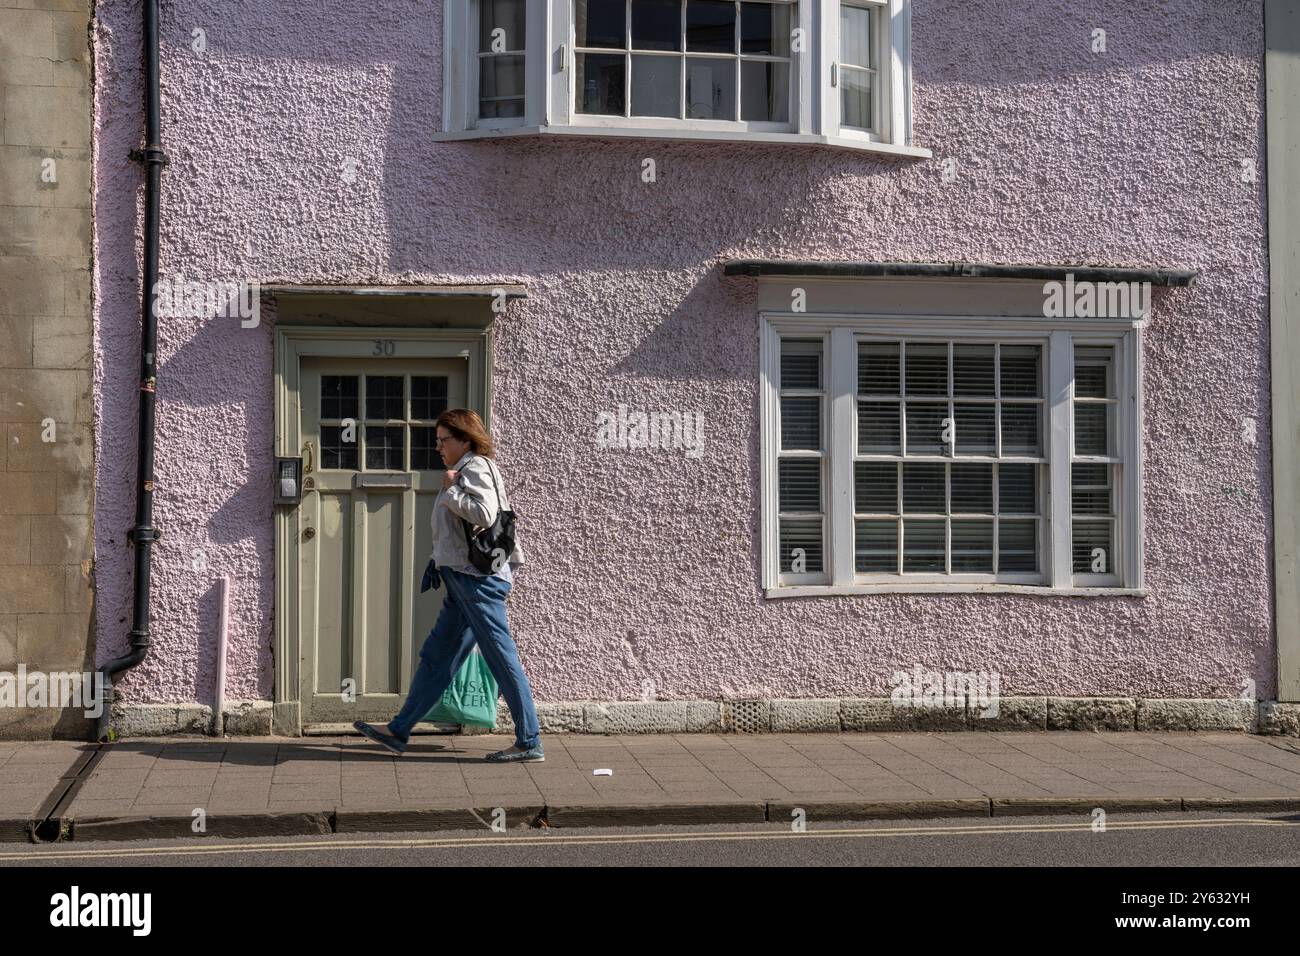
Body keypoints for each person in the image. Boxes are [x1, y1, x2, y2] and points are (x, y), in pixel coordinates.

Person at [353, 408, 542, 762]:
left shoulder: (475, 468)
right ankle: (399, 730)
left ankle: (530, 741)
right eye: (437, 440)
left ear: (465, 440)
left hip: (478, 582)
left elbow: (484, 516)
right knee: (438, 656)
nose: (438, 447)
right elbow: (456, 530)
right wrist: (438, 560)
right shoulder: (466, 469)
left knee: (501, 658)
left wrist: (450, 491)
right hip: (462, 578)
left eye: (444, 440)